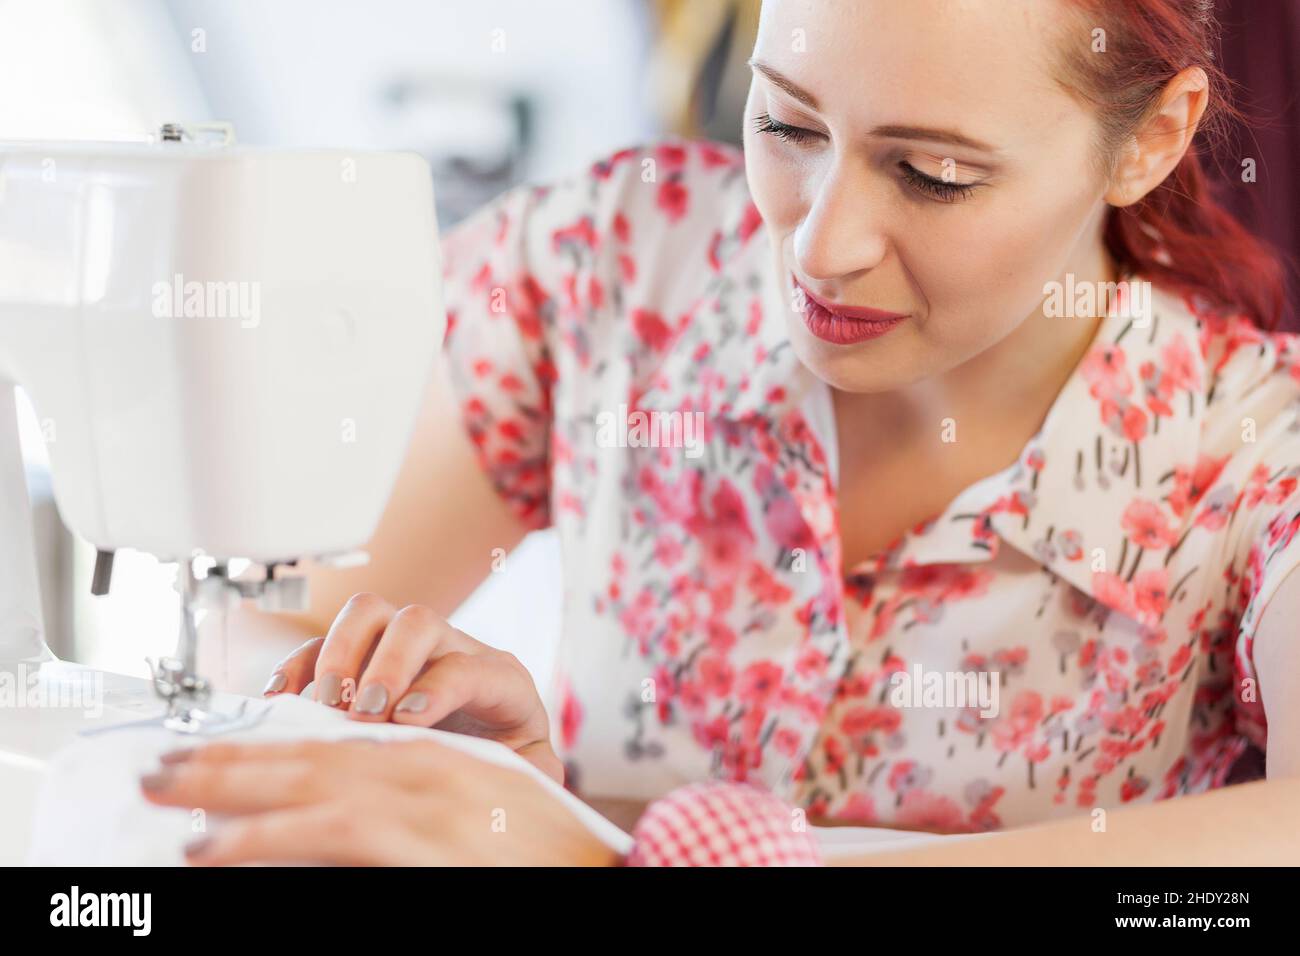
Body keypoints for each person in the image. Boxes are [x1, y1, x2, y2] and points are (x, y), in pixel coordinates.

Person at [144, 0, 1300, 864]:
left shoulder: (1252, 451)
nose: (819, 244)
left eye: (934, 174)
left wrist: (620, 860)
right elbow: (261, 633)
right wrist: (434, 746)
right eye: (787, 124)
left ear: (1152, 137)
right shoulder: (608, 266)